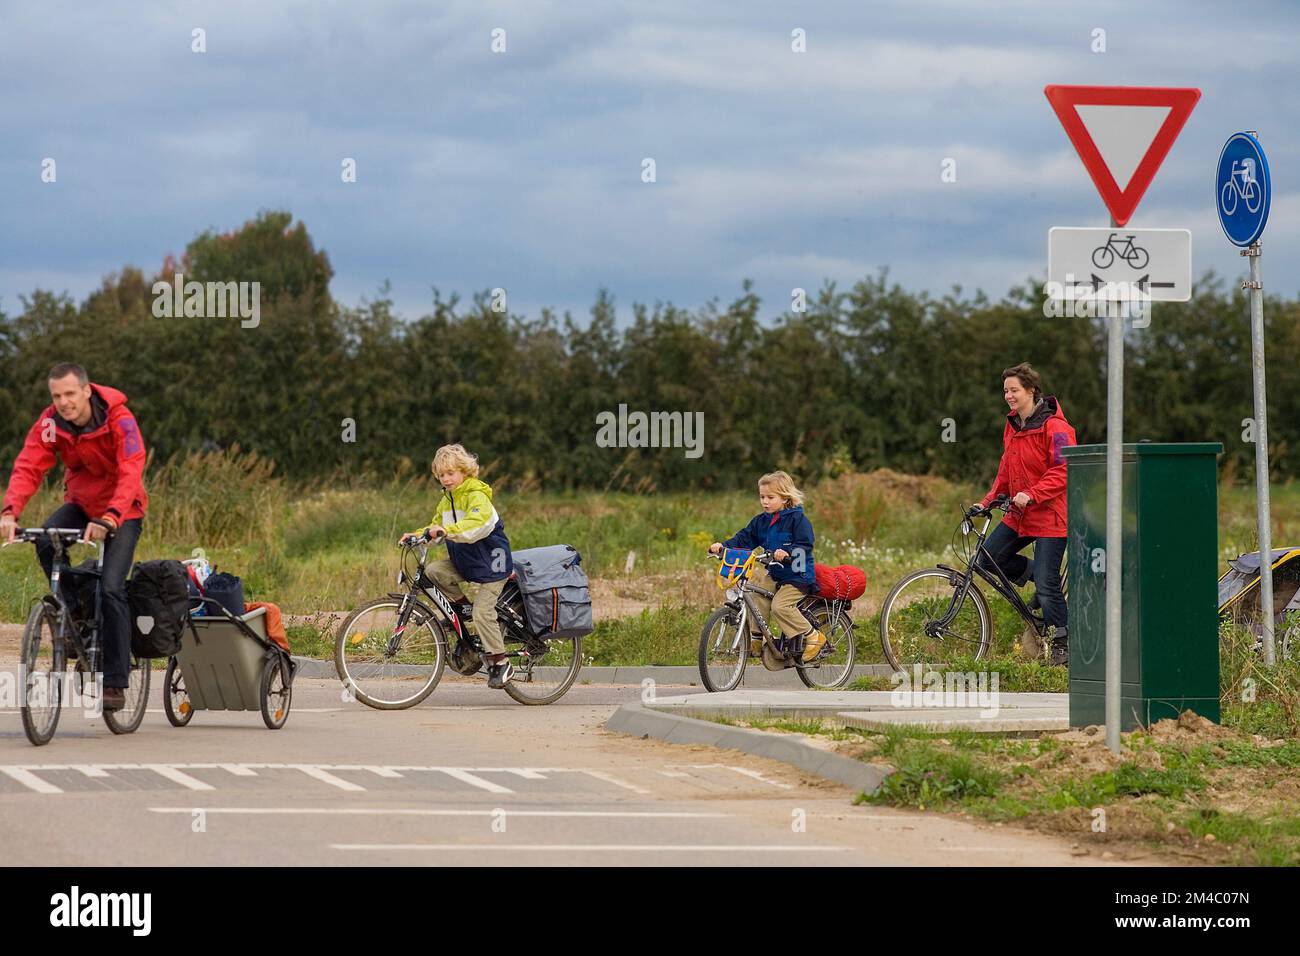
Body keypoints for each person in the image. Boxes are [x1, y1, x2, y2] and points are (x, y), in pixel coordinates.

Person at [1, 364, 148, 710]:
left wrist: (111, 516)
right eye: (56, 396)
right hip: (81, 504)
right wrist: (10, 512)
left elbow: (131, 467)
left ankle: (114, 681)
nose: (63, 402)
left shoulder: (119, 418)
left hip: (122, 510)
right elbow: (29, 463)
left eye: (69, 394)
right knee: (43, 540)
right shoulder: (52, 422)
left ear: (85, 391)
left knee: (112, 587)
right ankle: (75, 613)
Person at [976, 362, 1076, 666]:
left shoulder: (1056, 427)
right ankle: (1035, 574)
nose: (1008, 395)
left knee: (1047, 588)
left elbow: (1064, 469)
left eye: (1014, 390)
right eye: (1005, 390)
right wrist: (988, 500)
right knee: (987, 558)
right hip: (1020, 515)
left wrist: (1032, 493)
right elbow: (1007, 467)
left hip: (1050, 516)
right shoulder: (1013, 425)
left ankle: (1062, 645)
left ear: (1031, 391)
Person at [401, 444, 515, 688]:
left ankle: (501, 661)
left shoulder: (477, 495)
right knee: (433, 572)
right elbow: (435, 526)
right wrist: (417, 535)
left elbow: (476, 526)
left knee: (483, 613)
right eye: (441, 475)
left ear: (465, 471)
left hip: (492, 564)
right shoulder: (447, 501)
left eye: (451, 473)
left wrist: (447, 531)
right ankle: (462, 609)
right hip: (467, 563)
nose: (446, 479)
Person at [708, 470, 825, 662]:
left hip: (797, 574)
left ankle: (813, 636)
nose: (765, 501)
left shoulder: (797, 520)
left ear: (785, 497)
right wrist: (723, 547)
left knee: (780, 607)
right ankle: (756, 640)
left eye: (771, 497)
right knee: (757, 598)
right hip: (775, 574)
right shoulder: (761, 521)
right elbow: (744, 539)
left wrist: (787, 553)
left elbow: (805, 545)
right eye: (762, 497)